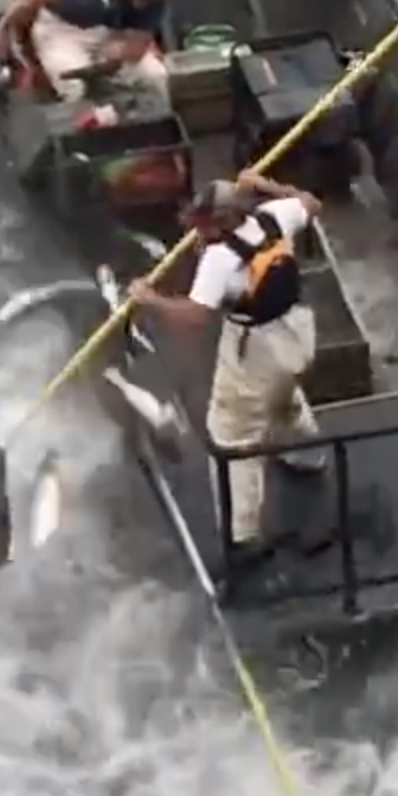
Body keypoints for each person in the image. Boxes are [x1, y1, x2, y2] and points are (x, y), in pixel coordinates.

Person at [125, 169, 330, 585]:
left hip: (255, 346)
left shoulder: (220, 259)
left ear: (222, 220)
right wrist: (267, 184)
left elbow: (197, 317)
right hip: (296, 331)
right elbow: (312, 202)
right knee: (281, 394)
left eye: (202, 222)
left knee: (232, 435)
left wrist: (151, 299)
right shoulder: (274, 215)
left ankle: (243, 536)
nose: (195, 228)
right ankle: (309, 455)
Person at [0, 0, 175, 104]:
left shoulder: (155, 4)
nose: (147, 0)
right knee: (73, 85)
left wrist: (116, 56)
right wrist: (1, 30)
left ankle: (165, 116)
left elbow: (137, 47)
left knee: (156, 75)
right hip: (63, 30)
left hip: (111, 33)